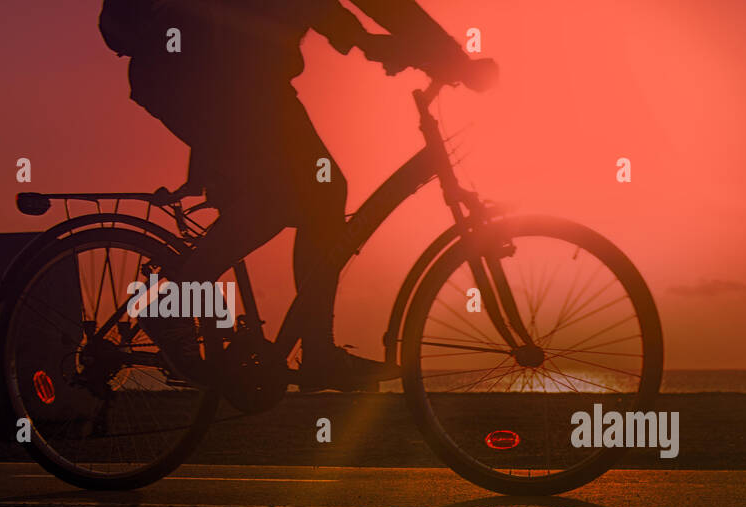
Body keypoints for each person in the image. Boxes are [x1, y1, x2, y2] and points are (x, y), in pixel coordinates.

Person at [99, 0, 488, 390]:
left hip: (224, 75)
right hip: (215, 77)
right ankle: (182, 309)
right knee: (305, 192)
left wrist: (444, 55)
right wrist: (370, 41)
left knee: (311, 194)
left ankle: (314, 350)